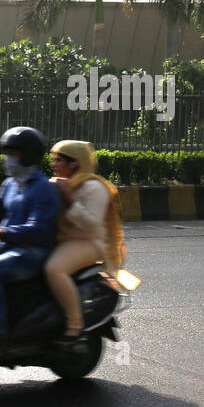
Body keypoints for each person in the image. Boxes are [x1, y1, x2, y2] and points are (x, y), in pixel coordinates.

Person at [0, 126, 61, 353]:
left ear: (28, 156)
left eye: (14, 154)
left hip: (33, 252)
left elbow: (36, 229)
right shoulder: (10, 183)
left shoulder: (43, 189)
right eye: (7, 153)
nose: (8, 159)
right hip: (8, 245)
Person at [45, 140, 126, 347]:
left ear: (75, 163)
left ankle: (75, 324)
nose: (54, 164)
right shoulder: (62, 182)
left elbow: (91, 223)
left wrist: (69, 199)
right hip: (65, 239)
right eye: (53, 159)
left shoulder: (94, 187)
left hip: (88, 242)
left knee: (54, 269)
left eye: (59, 160)